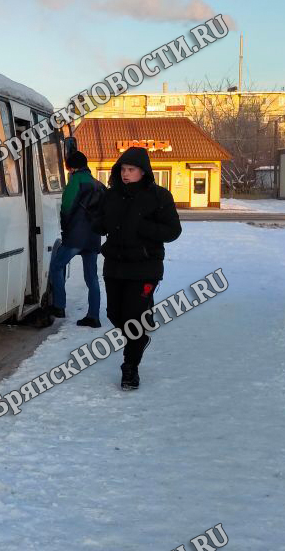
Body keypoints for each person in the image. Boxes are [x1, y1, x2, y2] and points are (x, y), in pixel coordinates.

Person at [94, 146, 181, 391]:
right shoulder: (111, 196)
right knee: (114, 314)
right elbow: (101, 226)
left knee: (133, 319)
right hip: (115, 266)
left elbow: (173, 231)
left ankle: (130, 368)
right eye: (122, 169)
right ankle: (140, 337)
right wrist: (93, 218)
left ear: (143, 171)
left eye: (130, 169)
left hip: (145, 268)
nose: (125, 173)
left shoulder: (159, 197)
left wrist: (142, 227)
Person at [48, 142, 104, 327]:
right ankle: (93, 316)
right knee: (92, 277)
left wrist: (65, 228)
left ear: (71, 167)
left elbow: (66, 207)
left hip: (76, 236)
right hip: (93, 236)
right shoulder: (98, 184)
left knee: (57, 266)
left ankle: (59, 306)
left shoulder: (76, 182)